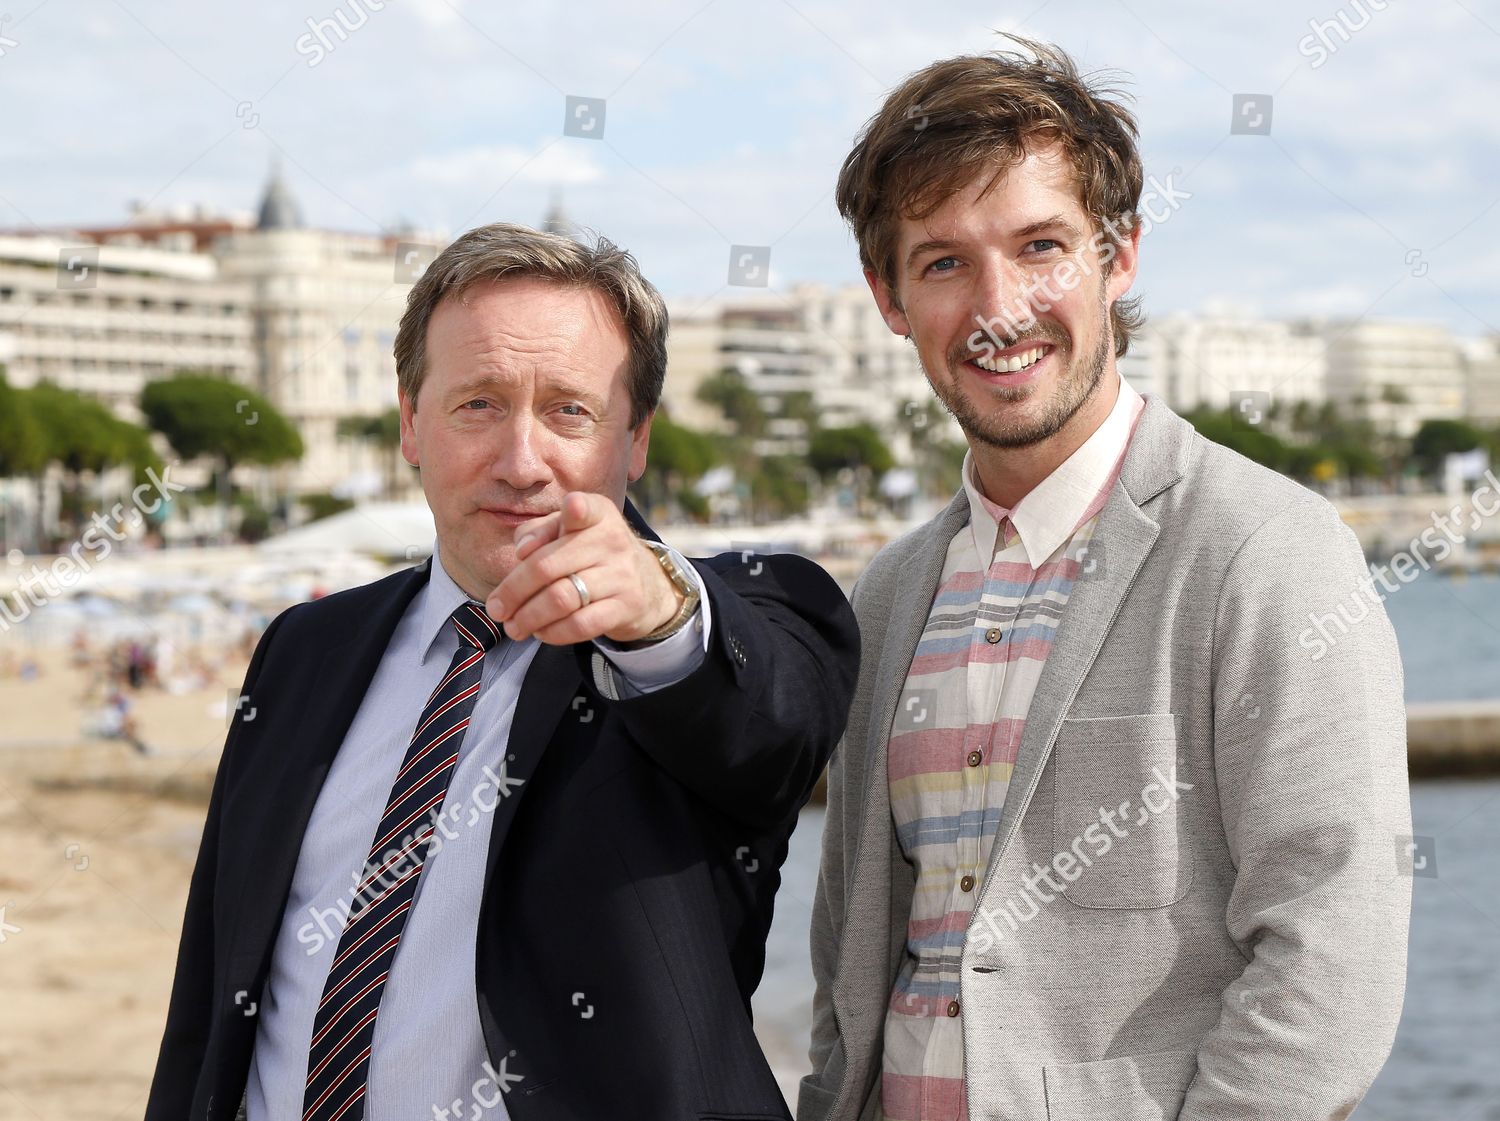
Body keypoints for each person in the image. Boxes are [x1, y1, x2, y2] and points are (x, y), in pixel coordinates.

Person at [800, 38, 1410, 1121]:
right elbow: (855, 962)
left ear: (1117, 256)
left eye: (1041, 246)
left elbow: (1333, 956)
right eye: (943, 261)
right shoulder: (887, 598)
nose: (999, 307)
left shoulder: (1265, 549)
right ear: (888, 297)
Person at [146, 223, 859, 1121]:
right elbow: (214, 983)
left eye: (569, 410)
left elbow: (776, 727)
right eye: (478, 404)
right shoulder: (302, 648)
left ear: (635, 440)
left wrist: (659, 614)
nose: (522, 463)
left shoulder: (694, 638)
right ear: (412, 422)